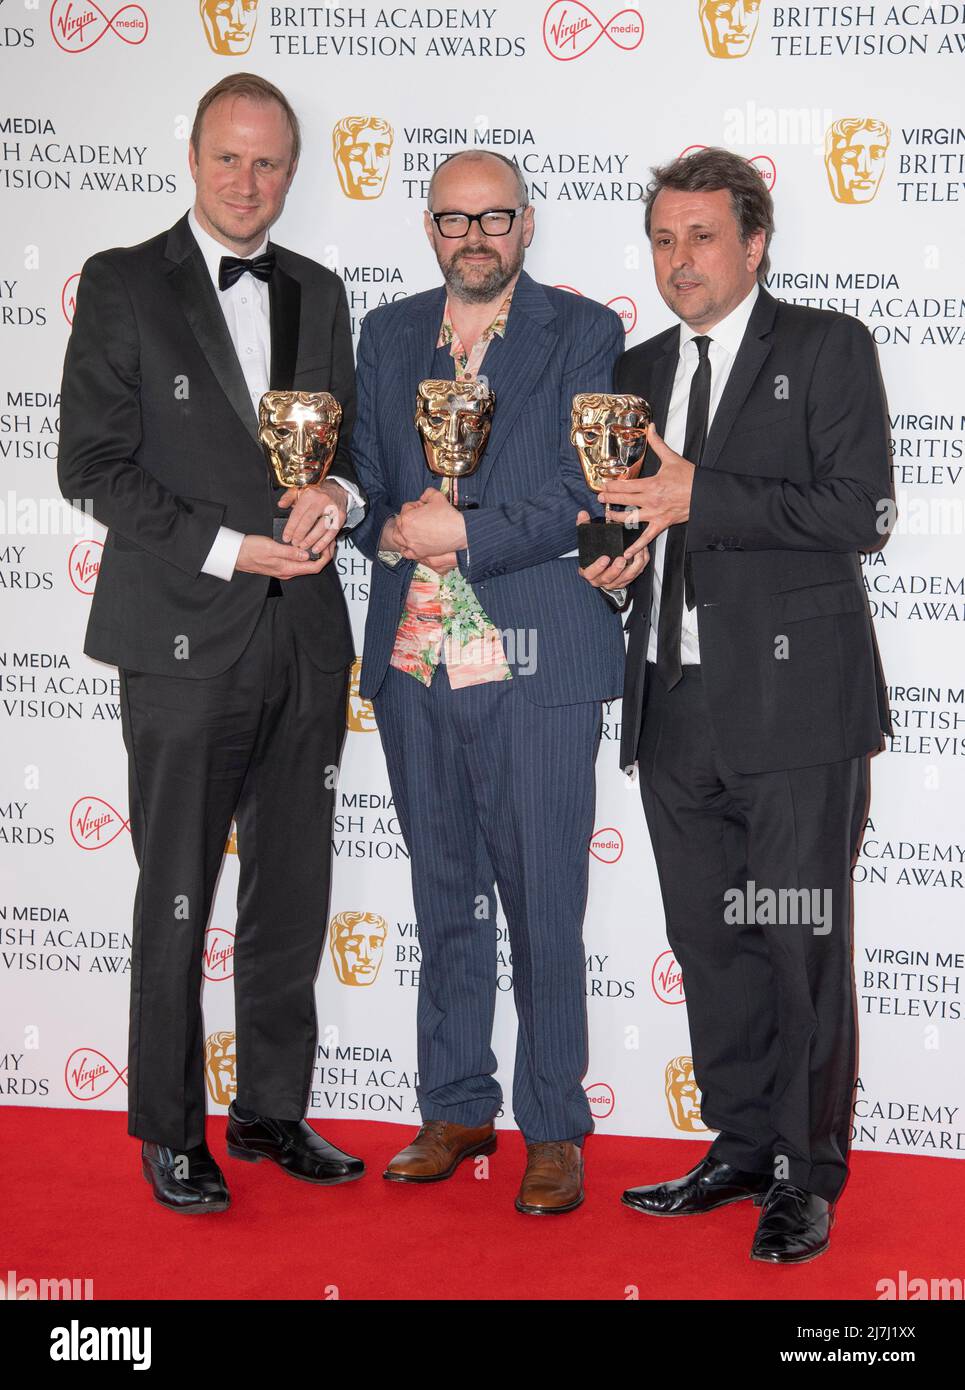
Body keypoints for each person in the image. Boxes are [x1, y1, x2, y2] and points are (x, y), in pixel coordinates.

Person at [58, 73, 366, 1213]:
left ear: (293, 170)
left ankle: (273, 1110)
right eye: (229, 159)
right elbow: (88, 465)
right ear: (192, 158)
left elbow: (352, 441)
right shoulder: (127, 282)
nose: (248, 183)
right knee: (177, 889)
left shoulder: (319, 291)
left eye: (270, 162)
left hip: (305, 642)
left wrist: (333, 489)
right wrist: (227, 547)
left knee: (292, 884)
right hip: (183, 637)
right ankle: (170, 1128)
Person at [580, 147, 891, 1262]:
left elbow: (857, 510)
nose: (679, 259)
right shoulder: (635, 362)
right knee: (709, 943)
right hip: (671, 700)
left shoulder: (825, 347)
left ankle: (808, 1175)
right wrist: (607, 552)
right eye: (663, 238)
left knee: (797, 943)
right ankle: (740, 1142)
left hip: (796, 711)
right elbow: (623, 510)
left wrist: (697, 492)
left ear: (754, 243)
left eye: (701, 236)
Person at [350, 149, 625, 1215]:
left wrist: (459, 531)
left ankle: (552, 1127)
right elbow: (362, 485)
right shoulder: (385, 333)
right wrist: (389, 524)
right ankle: (455, 1104)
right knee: (442, 894)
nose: (475, 236)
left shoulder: (579, 330)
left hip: (534, 656)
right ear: (429, 229)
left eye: (494, 217)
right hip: (415, 660)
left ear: (524, 228)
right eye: (454, 219)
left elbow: (578, 488)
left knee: (544, 903)